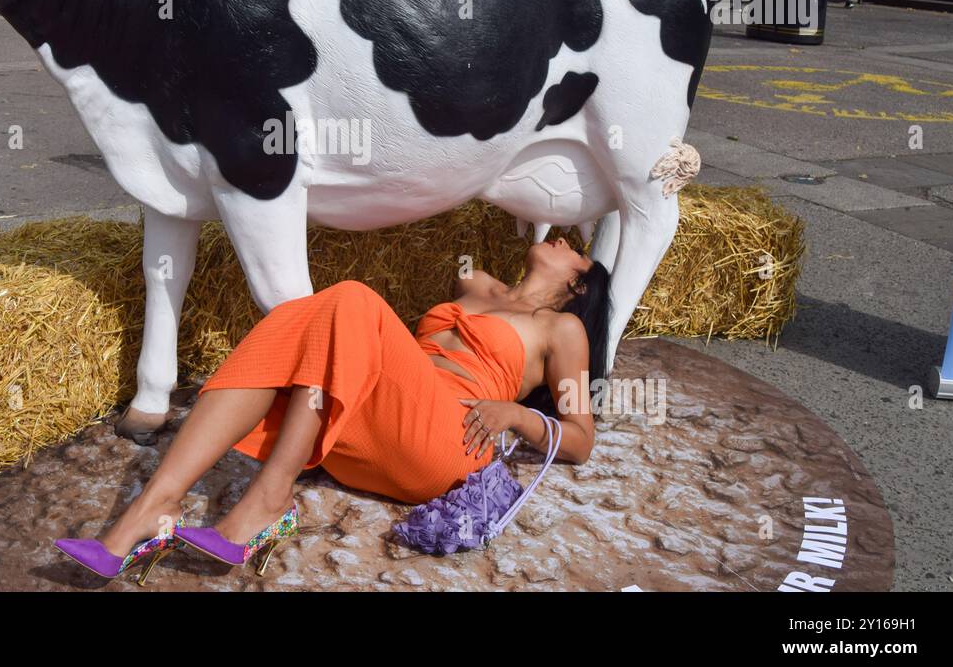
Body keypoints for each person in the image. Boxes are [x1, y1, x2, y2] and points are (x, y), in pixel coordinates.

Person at [54, 236, 611, 581]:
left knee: (351, 298)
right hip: (368, 432)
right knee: (297, 321)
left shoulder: (561, 330)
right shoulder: (477, 282)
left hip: (447, 442)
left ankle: (267, 499)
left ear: (578, 285)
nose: (564, 238)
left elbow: (580, 438)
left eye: (575, 249)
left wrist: (514, 415)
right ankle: (155, 506)